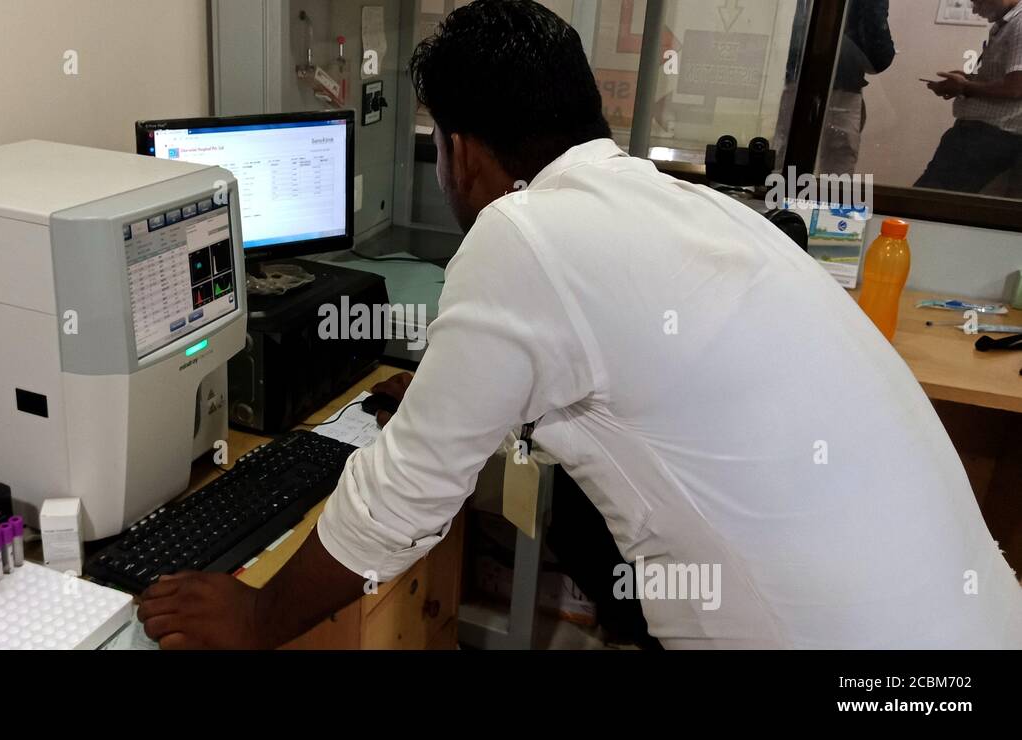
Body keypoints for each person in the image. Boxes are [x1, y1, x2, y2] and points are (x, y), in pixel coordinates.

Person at [137, 0, 1022, 649]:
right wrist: (464, 395)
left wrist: (252, 615)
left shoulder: (522, 231)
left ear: (461, 151)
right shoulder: (690, 208)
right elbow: (629, 376)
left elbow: (398, 503)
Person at [916, 0, 1022, 193]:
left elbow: (1016, 87)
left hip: (989, 135)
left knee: (931, 200)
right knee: (932, 197)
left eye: (977, 1)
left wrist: (965, 87)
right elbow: (1005, 79)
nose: (974, 9)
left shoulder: (1020, 22)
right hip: (982, 134)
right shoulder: (1007, 23)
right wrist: (969, 81)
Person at [819, 0, 896, 176]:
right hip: (842, 89)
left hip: (797, 79)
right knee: (834, 179)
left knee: (788, 170)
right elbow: (879, 57)